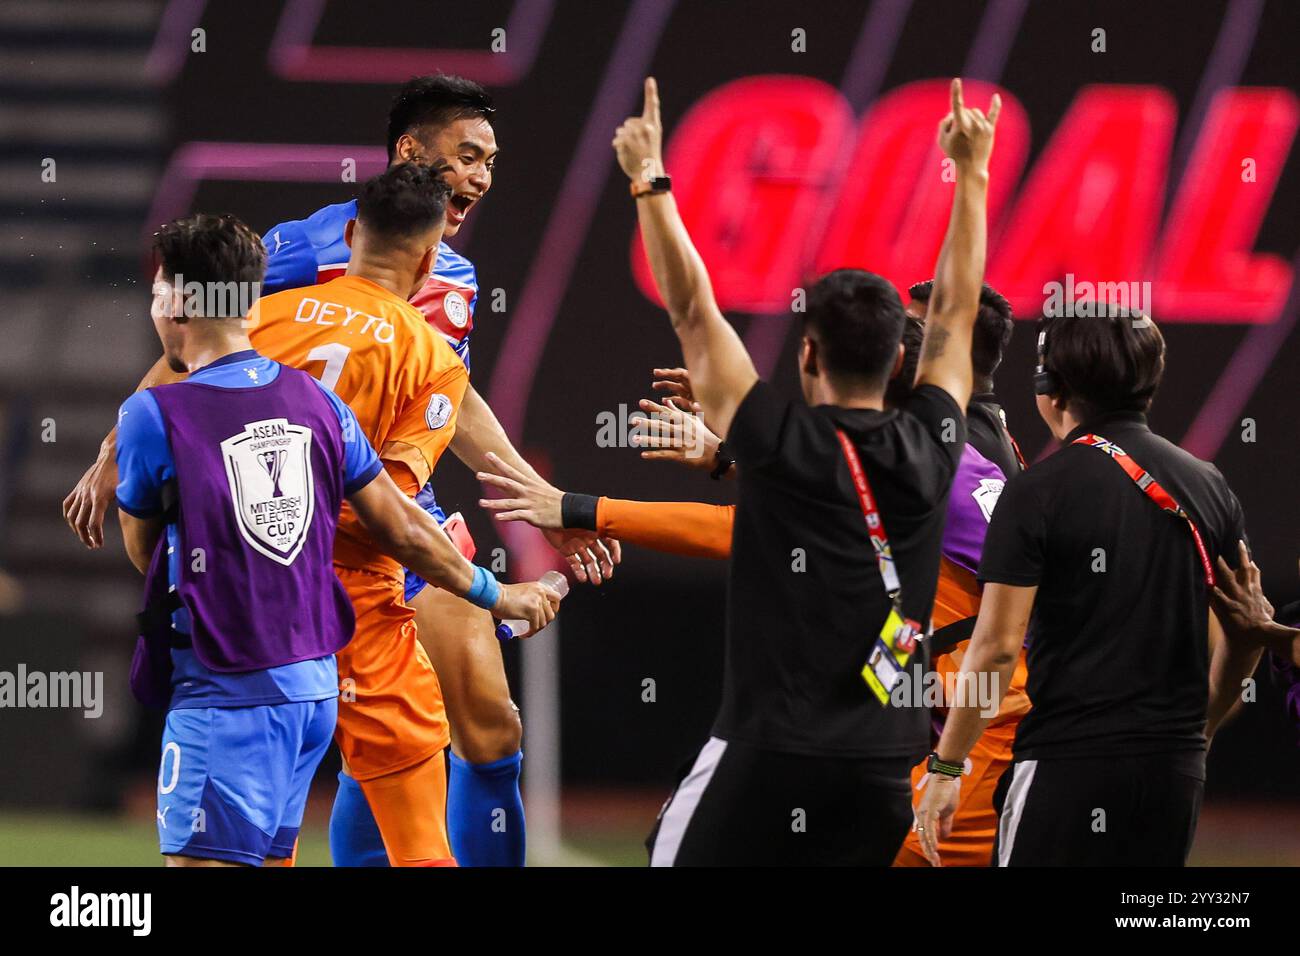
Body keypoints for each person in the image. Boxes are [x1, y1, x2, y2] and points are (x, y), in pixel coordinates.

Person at [63, 74, 617, 868]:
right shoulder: (304, 246)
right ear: (409, 153)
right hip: (318, 528)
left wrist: (542, 500)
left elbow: (455, 403)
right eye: (466, 155)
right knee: (378, 731)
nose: (482, 176)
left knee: (490, 721)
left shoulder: (454, 280)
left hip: (398, 510)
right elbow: (193, 348)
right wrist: (113, 447)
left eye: (491, 161)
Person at [600, 76, 997, 865]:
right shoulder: (933, 441)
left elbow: (692, 308)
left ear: (807, 353)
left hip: (768, 752)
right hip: (885, 768)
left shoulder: (772, 440)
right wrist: (972, 172)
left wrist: (650, 179)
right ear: (899, 362)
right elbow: (954, 312)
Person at [120, 214, 558, 866]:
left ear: (179, 303)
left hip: (230, 687)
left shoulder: (154, 416)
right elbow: (403, 524)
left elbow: (144, 552)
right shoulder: (320, 404)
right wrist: (498, 595)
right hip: (317, 681)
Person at [914, 305, 1262, 867]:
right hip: (1174, 774)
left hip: (1067, 768)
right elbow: (1241, 639)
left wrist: (948, 767)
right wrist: (1192, 739)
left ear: (1049, 386)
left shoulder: (1036, 493)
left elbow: (999, 647)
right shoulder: (1210, 485)